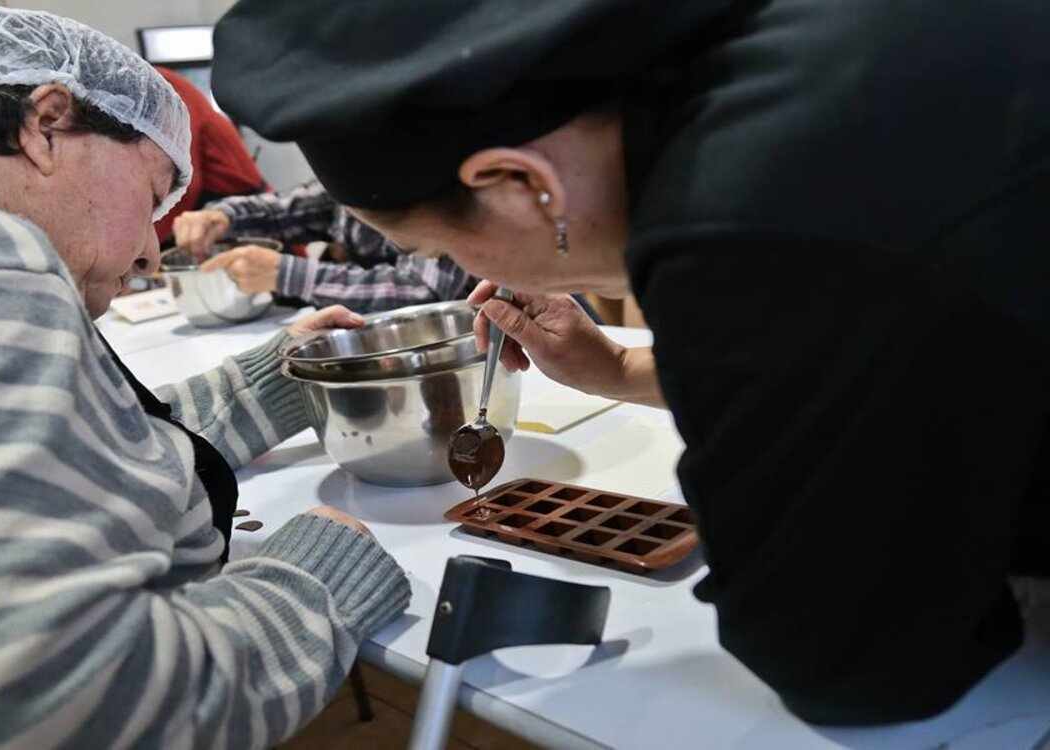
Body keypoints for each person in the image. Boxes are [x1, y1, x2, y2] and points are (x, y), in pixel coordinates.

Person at [210, 0, 1050, 726]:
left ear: (518, 182)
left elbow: (846, 660)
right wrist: (622, 373)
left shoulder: (746, 205)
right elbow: (898, 355)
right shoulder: (788, 62)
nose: (455, 270)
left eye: (427, 245)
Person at [0, 9, 409, 748]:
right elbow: (27, 711)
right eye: (152, 197)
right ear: (46, 125)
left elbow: (56, 457)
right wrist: (315, 585)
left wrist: (272, 383)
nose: (150, 251)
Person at [173, 182, 476, 312]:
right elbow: (288, 209)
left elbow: (424, 290)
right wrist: (222, 218)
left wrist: (285, 273)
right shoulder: (349, 178)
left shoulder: (436, 186)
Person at [151, 65, 269, 246]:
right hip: (204, 213)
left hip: (239, 213)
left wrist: (144, 243)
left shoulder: (157, 88)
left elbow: (184, 181)